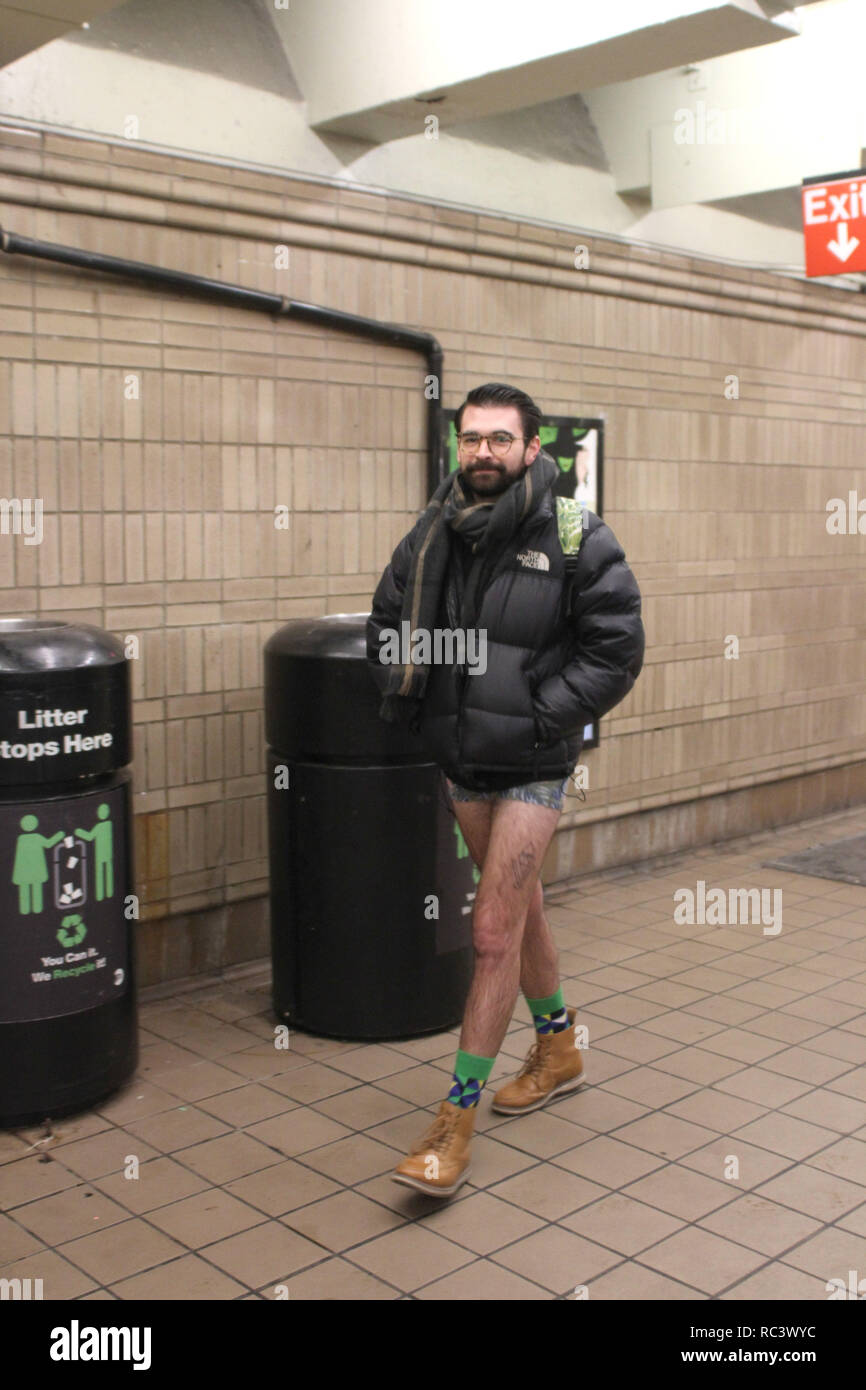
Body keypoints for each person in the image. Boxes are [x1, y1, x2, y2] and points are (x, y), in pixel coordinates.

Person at [365, 382, 645, 1198]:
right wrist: (419, 703)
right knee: (519, 909)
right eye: (471, 438)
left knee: (491, 929)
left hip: (532, 761)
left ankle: (454, 1120)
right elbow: (387, 624)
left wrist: (538, 717)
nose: (483, 451)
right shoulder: (433, 531)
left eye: (500, 439)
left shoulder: (570, 533)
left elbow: (616, 648)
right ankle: (558, 1047)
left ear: (530, 449)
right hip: (462, 758)